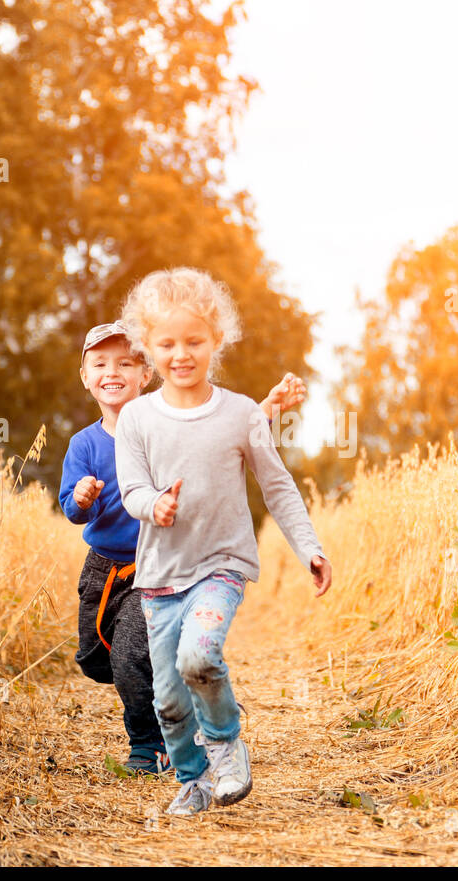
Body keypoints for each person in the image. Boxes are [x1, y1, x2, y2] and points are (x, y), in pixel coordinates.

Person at [113, 268, 333, 815]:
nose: (181, 354)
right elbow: (131, 489)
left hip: (220, 565)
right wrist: (153, 504)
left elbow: (277, 486)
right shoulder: (137, 417)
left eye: (194, 341)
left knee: (200, 655)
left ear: (217, 339)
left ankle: (228, 747)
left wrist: (309, 546)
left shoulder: (239, 414)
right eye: (166, 343)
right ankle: (193, 779)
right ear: (147, 347)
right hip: (160, 576)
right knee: (167, 698)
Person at [59, 321, 307, 776]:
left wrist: (264, 411)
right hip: (102, 567)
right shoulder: (84, 443)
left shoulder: (160, 426)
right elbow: (70, 511)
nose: (112, 372)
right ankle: (169, 680)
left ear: (145, 374)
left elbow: (211, 439)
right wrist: (79, 500)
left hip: (158, 564)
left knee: (130, 651)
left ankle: (150, 744)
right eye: (100, 364)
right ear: (85, 376)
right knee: (95, 659)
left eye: (125, 363)